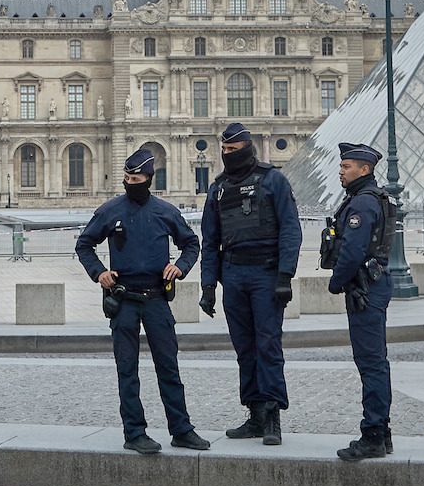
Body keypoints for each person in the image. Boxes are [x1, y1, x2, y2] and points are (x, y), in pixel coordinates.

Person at [76, 146, 209, 455]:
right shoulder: (110, 210)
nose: (130, 182)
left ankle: (181, 429)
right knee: (127, 369)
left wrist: (180, 266)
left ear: (149, 178)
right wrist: (99, 273)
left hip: (156, 299)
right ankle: (134, 432)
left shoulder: (165, 211)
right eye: (126, 177)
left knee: (168, 366)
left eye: (135, 177)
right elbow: (85, 244)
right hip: (123, 299)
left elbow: (191, 243)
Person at [198, 120, 301, 445]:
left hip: (266, 274)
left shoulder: (274, 181)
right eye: (225, 149)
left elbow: (290, 230)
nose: (228, 154)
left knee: (267, 345)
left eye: (234, 149)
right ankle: (255, 414)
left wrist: (285, 275)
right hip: (234, 275)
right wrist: (208, 286)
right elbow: (210, 240)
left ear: (248, 147)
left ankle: (272, 416)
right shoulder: (217, 189)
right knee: (244, 348)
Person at [322, 142, 396, 461]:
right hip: (371, 284)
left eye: (346, 166)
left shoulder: (363, 204)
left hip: (365, 287)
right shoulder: (365, 198)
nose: (341, 171)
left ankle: (374, 435)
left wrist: (336, 282)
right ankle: (382, 432)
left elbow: (352, 250)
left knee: (371, 362)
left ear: (364, 170)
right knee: (375, 360)